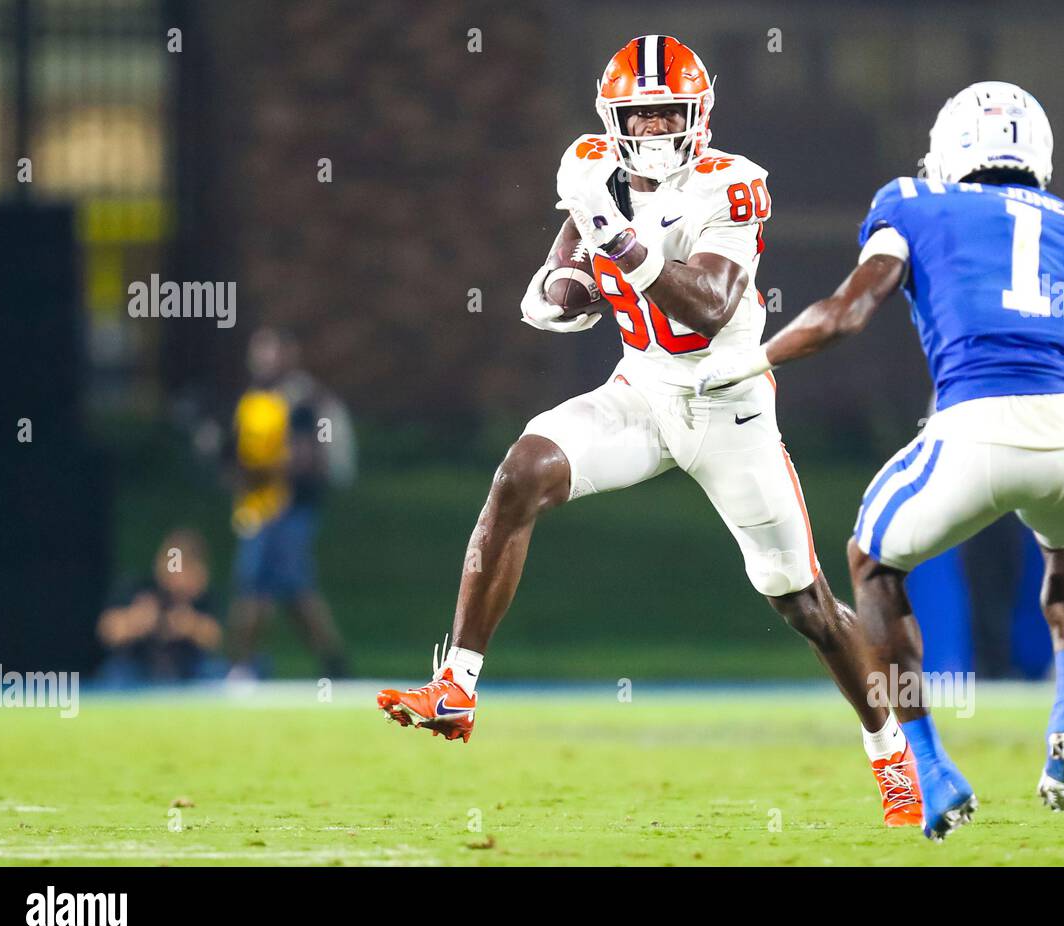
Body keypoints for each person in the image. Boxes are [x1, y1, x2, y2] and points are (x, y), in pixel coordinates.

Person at [379, 35, 922, 827]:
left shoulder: (732, 183)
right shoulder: (592, 171)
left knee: (804, 603)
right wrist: (561, 285)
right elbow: (567, 275)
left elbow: (709, 307)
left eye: (670, 111)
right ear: (614, 119)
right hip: (641, 390)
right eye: (642, 113)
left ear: (699, 115)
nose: (657, 126)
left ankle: (891, 754)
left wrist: (616, 239)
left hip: (729, 407)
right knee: (520, 472)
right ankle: (457, 685)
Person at [694, 82, 1064, 841]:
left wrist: (751, 361)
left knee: (872, 564)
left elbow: (844, 314)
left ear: (952, 149)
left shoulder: (914, 204)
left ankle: (931, 767)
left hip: (975, 424)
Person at [226, 327, 351, 679]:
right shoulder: (251, 400)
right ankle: (331, 663)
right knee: (286, 589)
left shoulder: (302, 400)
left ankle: (243, 665)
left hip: (289, 507)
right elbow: (234, 456)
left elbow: (306, 459)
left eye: (272, 352)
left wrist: (259, 471)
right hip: (256, 509)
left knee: (260, 587)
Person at [97, 529, 224, 685]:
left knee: (214, 670)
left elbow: (217, 639)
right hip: (138, 668)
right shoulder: (139, 587)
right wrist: (136, 621)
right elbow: (107, 631)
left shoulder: (202, 599)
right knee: (115, 671)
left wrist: (190, 626)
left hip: (187, 670)